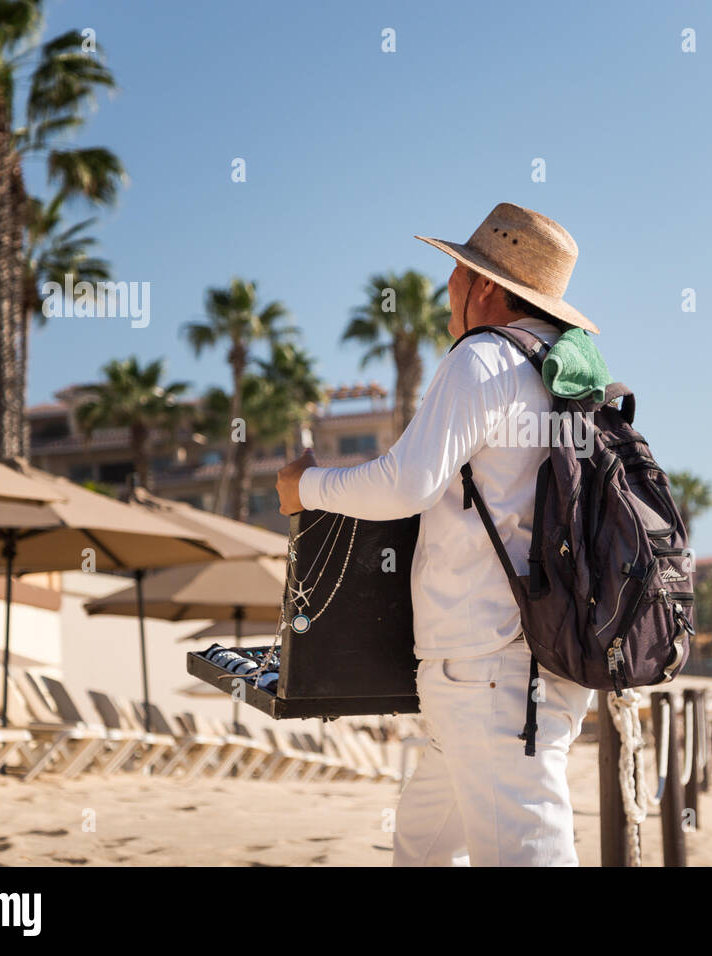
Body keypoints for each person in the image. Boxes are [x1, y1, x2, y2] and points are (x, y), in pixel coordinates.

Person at [276, 203, 601, 866]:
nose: (447, 288)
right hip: (540, 660)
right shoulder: (564, 377)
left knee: (526, 854)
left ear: (484, 285)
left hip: (490, 671)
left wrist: (304, 489)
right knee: (422, 850)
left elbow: (406, 483)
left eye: (456, 272)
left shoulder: (482, 360)